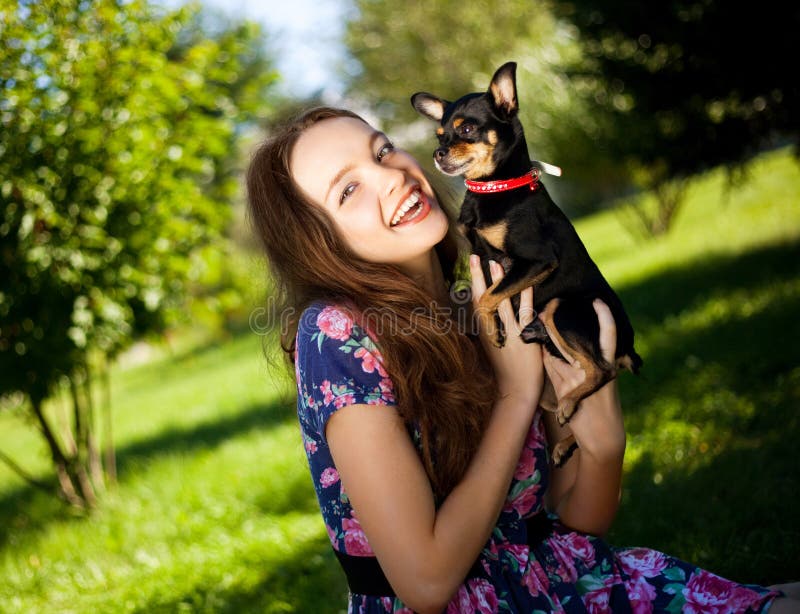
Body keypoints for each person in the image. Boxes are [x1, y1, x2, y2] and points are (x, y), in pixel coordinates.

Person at [246, 107, 797, 613]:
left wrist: (603, 444)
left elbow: (573, 522)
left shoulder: (479, 303)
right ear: (316, 245)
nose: (391, 175)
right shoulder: (336, 336)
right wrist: (516, 395)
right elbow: (427, 583)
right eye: (348, 190)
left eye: (383, 149)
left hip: (560, 585)